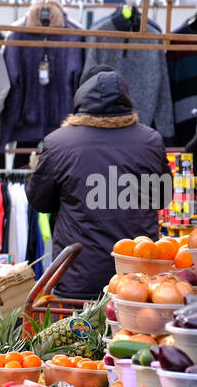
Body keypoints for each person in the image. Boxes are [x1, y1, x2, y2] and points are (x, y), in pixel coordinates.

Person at [26, 66, 171, 300]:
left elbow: (39, 202)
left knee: (78, 337)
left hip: (78, 276)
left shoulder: (58, 143)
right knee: (137, 335)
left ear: (81, 101)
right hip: (137, 276)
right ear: (126, 100)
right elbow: (162, 198)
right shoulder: (150, 141)